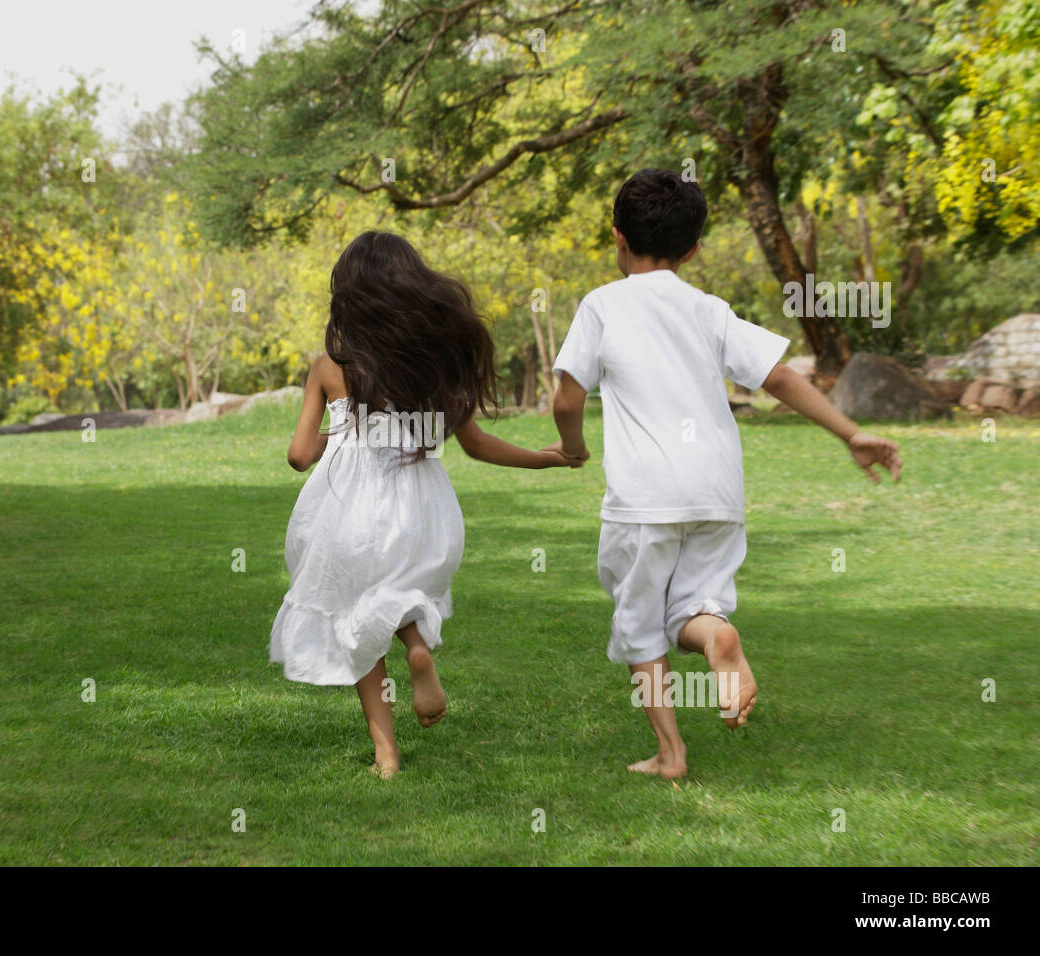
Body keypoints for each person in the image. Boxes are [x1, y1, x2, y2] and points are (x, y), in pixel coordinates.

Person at [548, 168, 903, 778]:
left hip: (645, 497)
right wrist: (851, 432)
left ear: (617, 236)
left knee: (638, 624)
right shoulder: (709, 309)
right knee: (691, 607)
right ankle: (716, 638)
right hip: (717, 492)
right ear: (693, 249)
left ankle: (670, 754)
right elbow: (782, 377)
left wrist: (572, 445)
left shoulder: (601, 305)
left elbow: (566, 396)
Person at [271, 230, 581, 779]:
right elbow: (478, 446)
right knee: (399, 590)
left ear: (348, 296)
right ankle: (416, 643)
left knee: (353, 611)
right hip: (420, 505)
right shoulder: (431, 364)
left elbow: (299, 456)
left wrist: (336, 441)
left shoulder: (328, 366)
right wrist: (545, 457)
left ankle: (386, 754)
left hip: (347, 508)